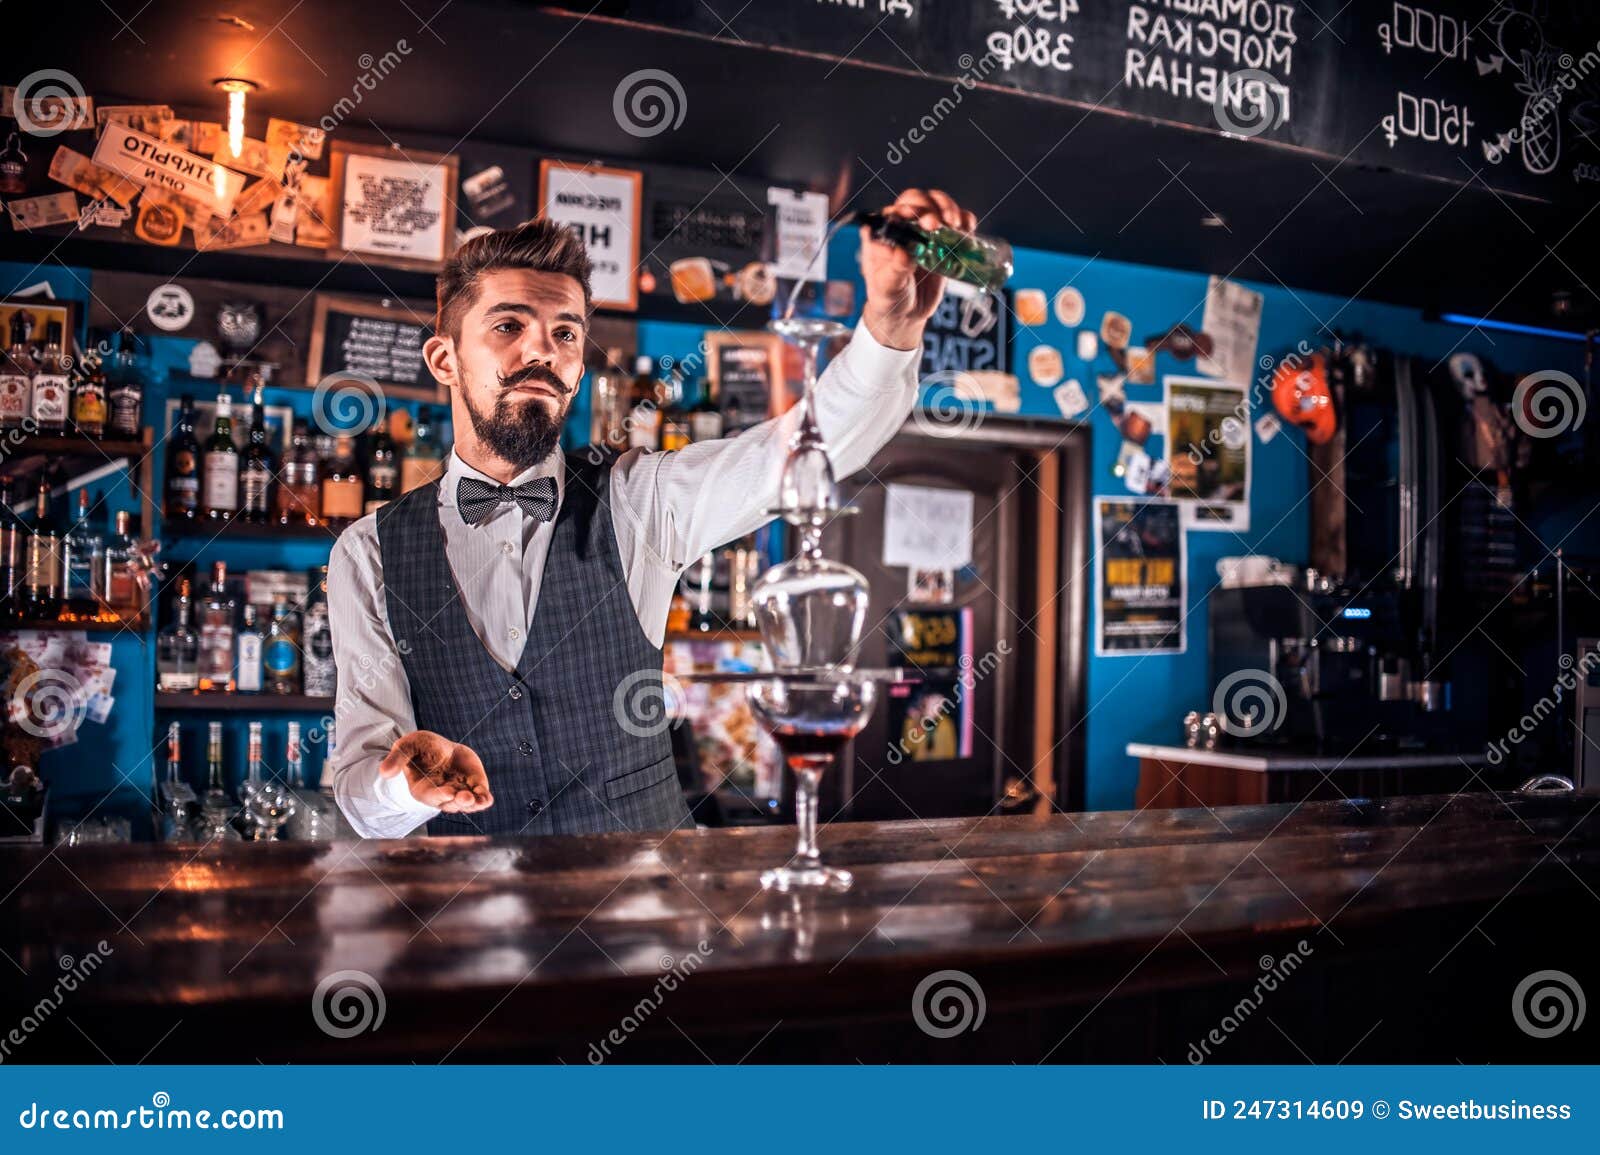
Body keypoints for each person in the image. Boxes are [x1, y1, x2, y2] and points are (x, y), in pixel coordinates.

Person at [329, 188, 977, 837]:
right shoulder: (367, 552)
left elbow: (800, 451)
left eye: (565, 333)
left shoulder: (640, 497)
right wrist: (402, 787)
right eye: (508, 326)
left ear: (580, 368)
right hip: (460, 920)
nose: (543, 351)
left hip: (642, 915)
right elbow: (362, 795)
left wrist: (890, 329)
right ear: (444, 358)